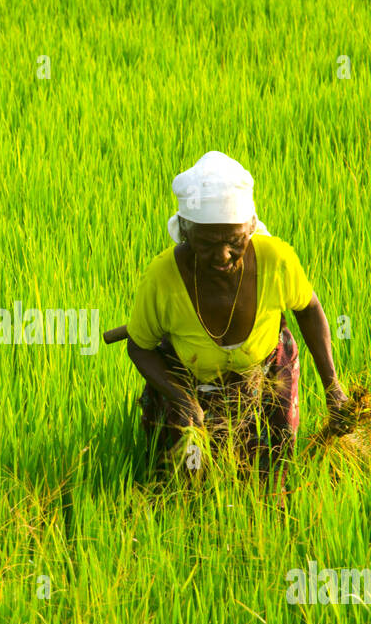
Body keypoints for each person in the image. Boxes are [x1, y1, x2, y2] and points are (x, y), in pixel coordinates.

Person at [124, 151, 352, 497]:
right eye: (208, 243)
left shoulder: (277, 260)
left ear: (252, 225)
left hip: (264, 368)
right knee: (186, 475)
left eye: (235, 241)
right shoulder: (162, 277)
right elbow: (139, 346)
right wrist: (182, 399)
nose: (223, 255)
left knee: (269, 470)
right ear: (185, 232)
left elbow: (308, 309)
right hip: (191, 375)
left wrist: (333, 387)